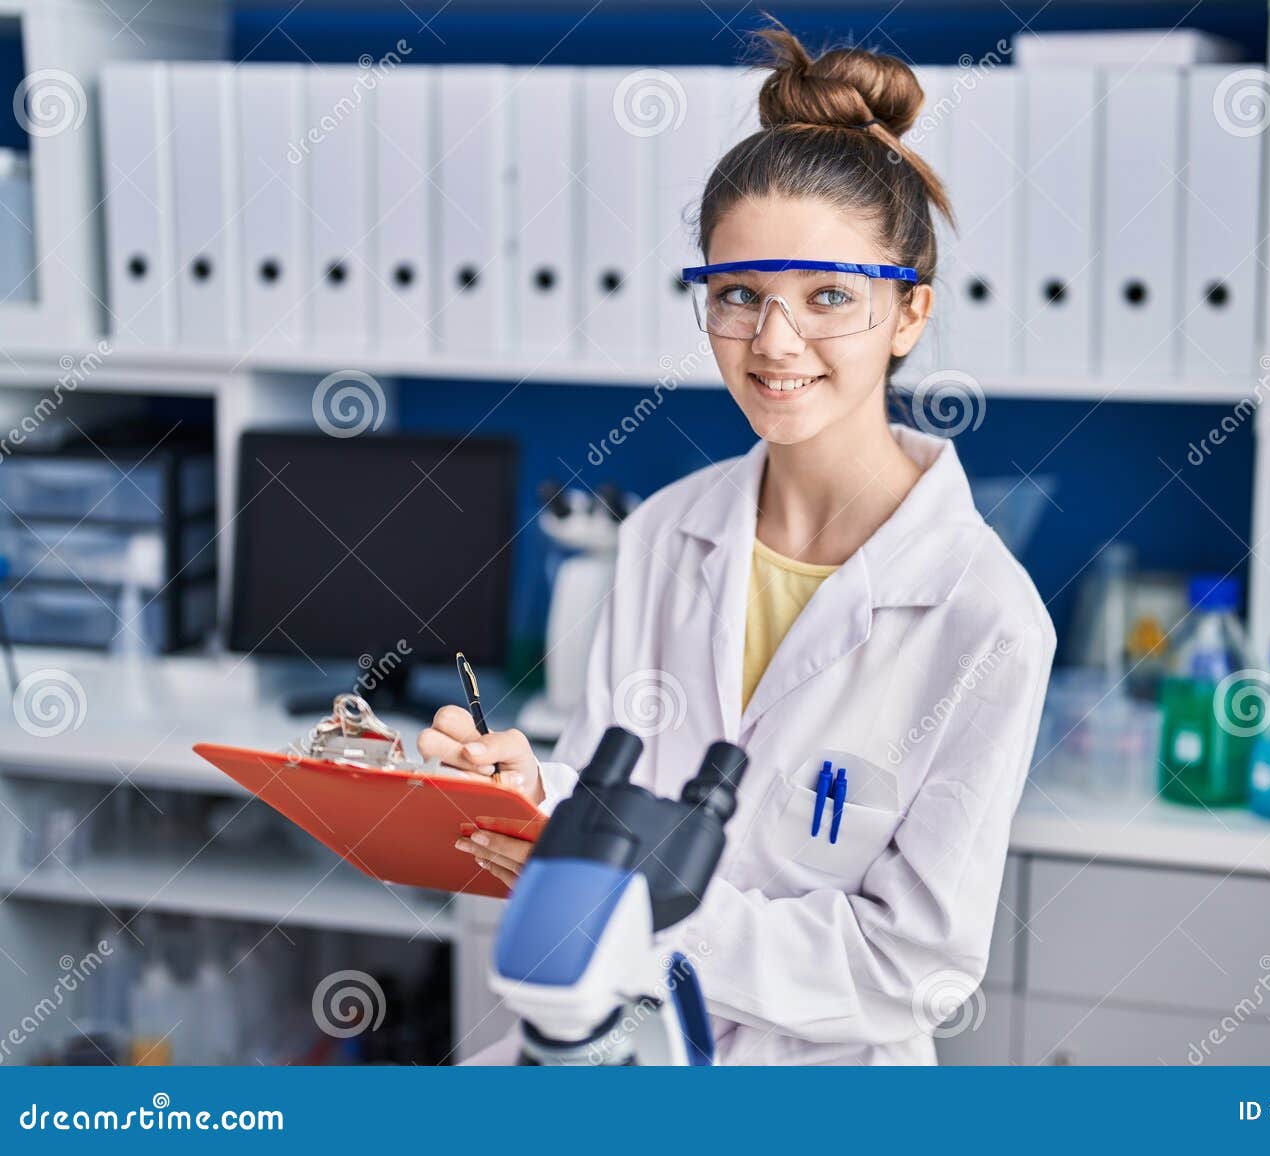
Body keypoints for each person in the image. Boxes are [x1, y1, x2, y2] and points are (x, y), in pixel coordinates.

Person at [421, 24, 1056, 1065]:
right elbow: (604, 788)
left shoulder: (982, 614)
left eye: (829, 298)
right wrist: (527, 793)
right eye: (738, 295)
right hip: (623, 1049)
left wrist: (653, 916)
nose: (773, 340)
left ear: (909, 313)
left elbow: (910, 971)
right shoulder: (668, 530)